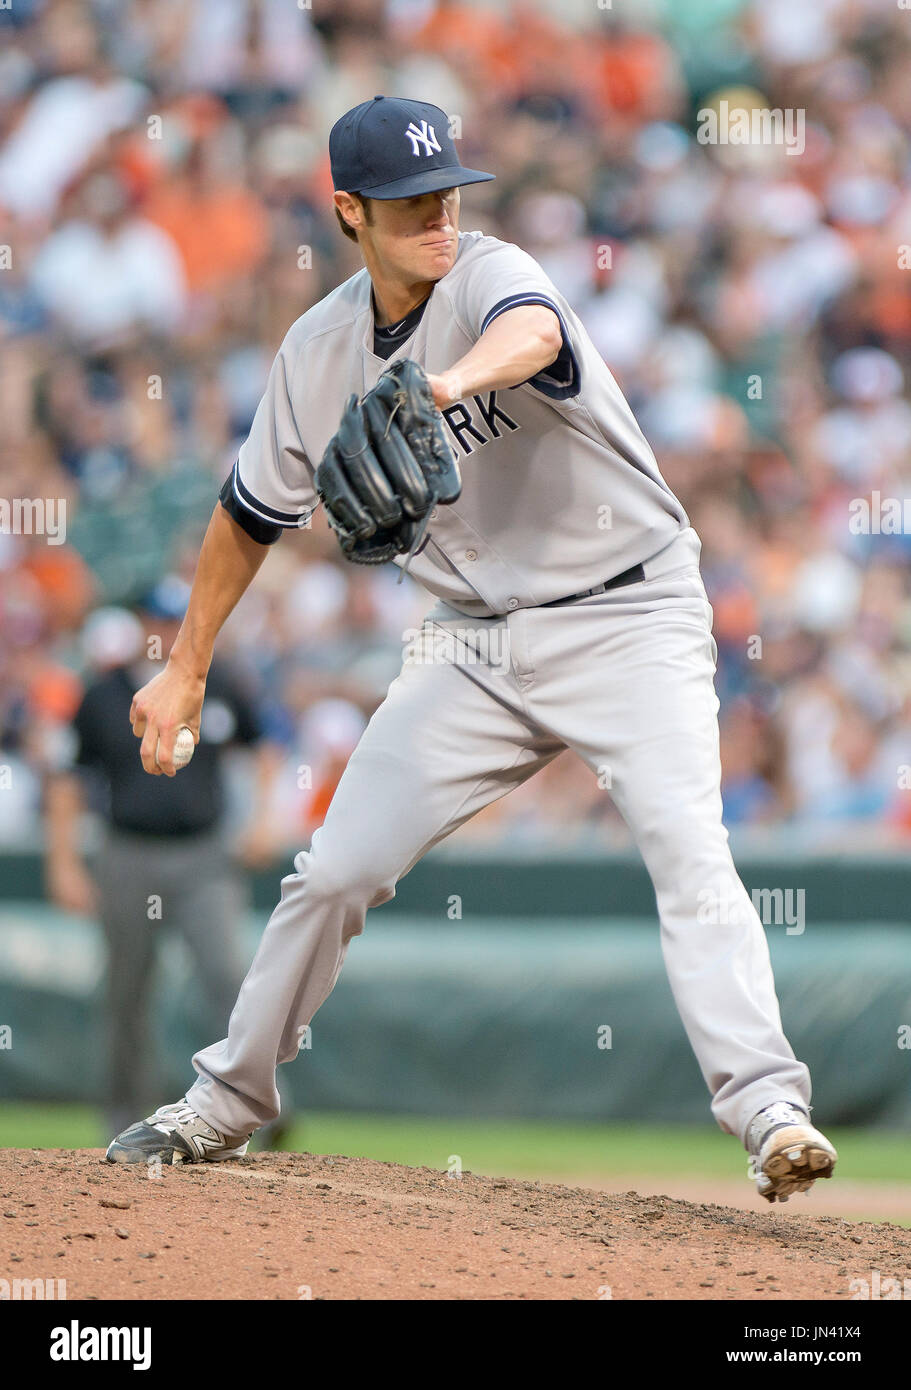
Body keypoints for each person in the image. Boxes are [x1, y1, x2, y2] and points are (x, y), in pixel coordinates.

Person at [105, 97, 836, 1202]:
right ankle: (223, 1103)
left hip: (626, 615)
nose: (438, 212)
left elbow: (534, 332)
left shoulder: (489, 276)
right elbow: (248, 515)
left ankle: (768, 1107)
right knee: (334, 868)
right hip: (467, 647)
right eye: (409, 202)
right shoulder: (316, 352)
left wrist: (438, 387)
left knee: (689, 850)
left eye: (446, 188)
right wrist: (187, 662)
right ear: (347, 211)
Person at [45, 576, 287, 1142]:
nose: (163, 633)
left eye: (174, 623)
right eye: (155, 620)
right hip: (127, 853)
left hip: (203, 855)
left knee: (228, 978)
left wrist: (262, 817)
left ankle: (258, 1109)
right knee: (127, 989)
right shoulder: (104, 693)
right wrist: (63, 862)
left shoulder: (221, 681)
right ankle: (128, 1116)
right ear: (139, 623)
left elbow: (267, 743)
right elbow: (66, 778)